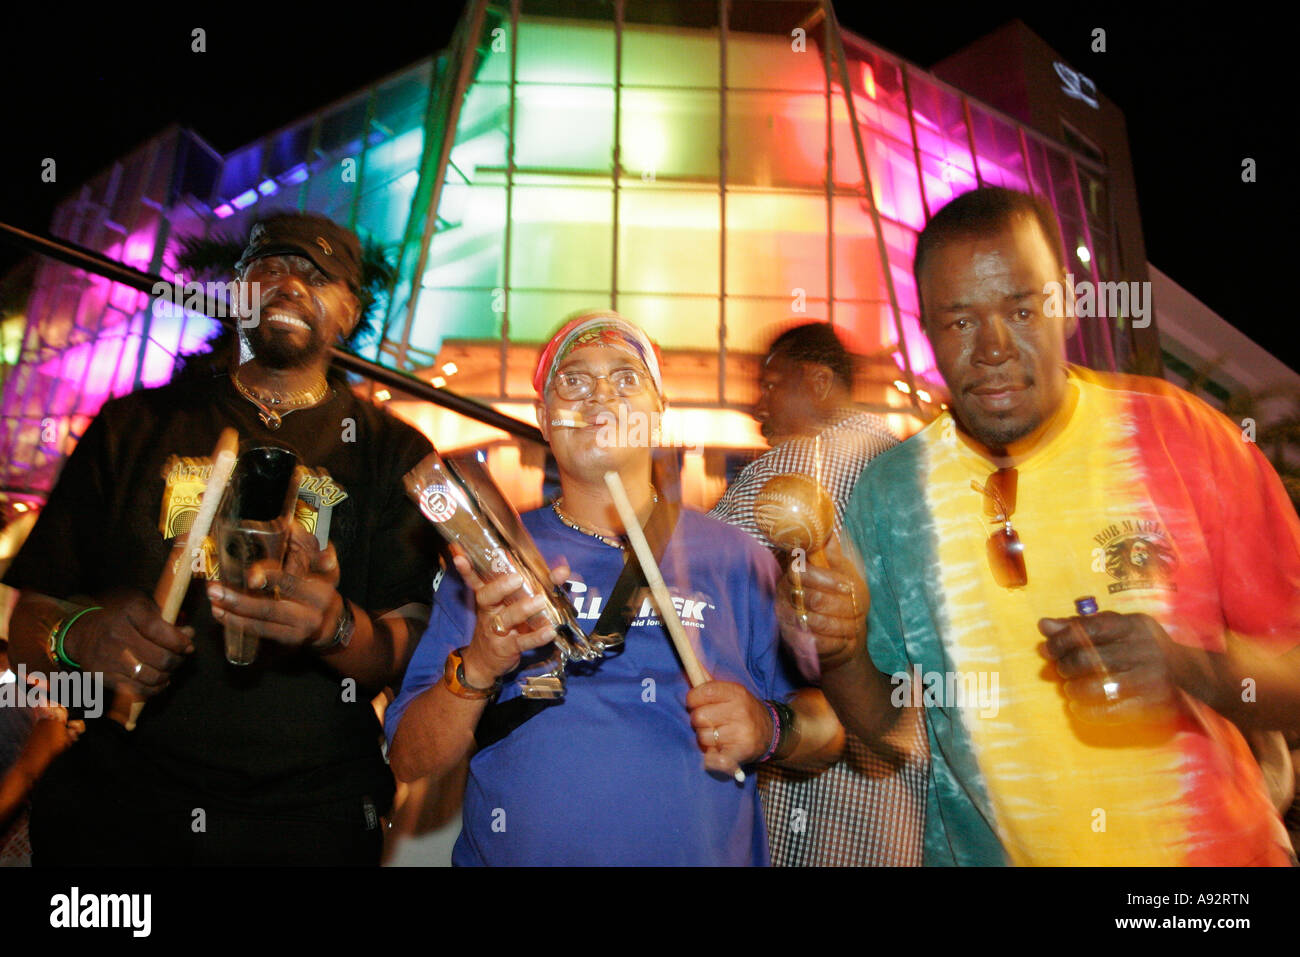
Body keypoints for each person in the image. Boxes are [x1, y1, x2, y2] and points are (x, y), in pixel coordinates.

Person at [783, 186, 1300, 866]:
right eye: (960, 321)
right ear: (927, 327)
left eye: (1021, 309)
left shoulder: (1185, 439)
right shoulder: (889, 495)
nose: (993, 347)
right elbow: (882, 743)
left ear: (1067, 302)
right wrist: (843, 650)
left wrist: (1190, 669)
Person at [3, 212, 439, 865]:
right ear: (234, 291)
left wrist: (334, 625)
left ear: (350, 311)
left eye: (319, 275)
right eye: (269, 266)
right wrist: (81, 634)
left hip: (310, 826)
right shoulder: (133, 424)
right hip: (118, 820)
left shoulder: (392, 453)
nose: (290, 283)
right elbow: (26, 626)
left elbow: (402, 647)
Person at [386, 310, 843, 865]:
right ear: (545, 418)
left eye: (626, 377)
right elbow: (409, 759)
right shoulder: (490, 560)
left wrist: (769, 726)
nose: (600, 394)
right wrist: (479, 666)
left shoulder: (736, 558)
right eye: (573, 380)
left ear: (657, 415)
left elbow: (828, 725)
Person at [709, 322, 926, 866]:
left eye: (772, 383)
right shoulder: (913, 471)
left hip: (815, 793)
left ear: (820, 381)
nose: (757, 403)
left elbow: (700, 583)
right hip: (904, 796)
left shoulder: (798, 465)